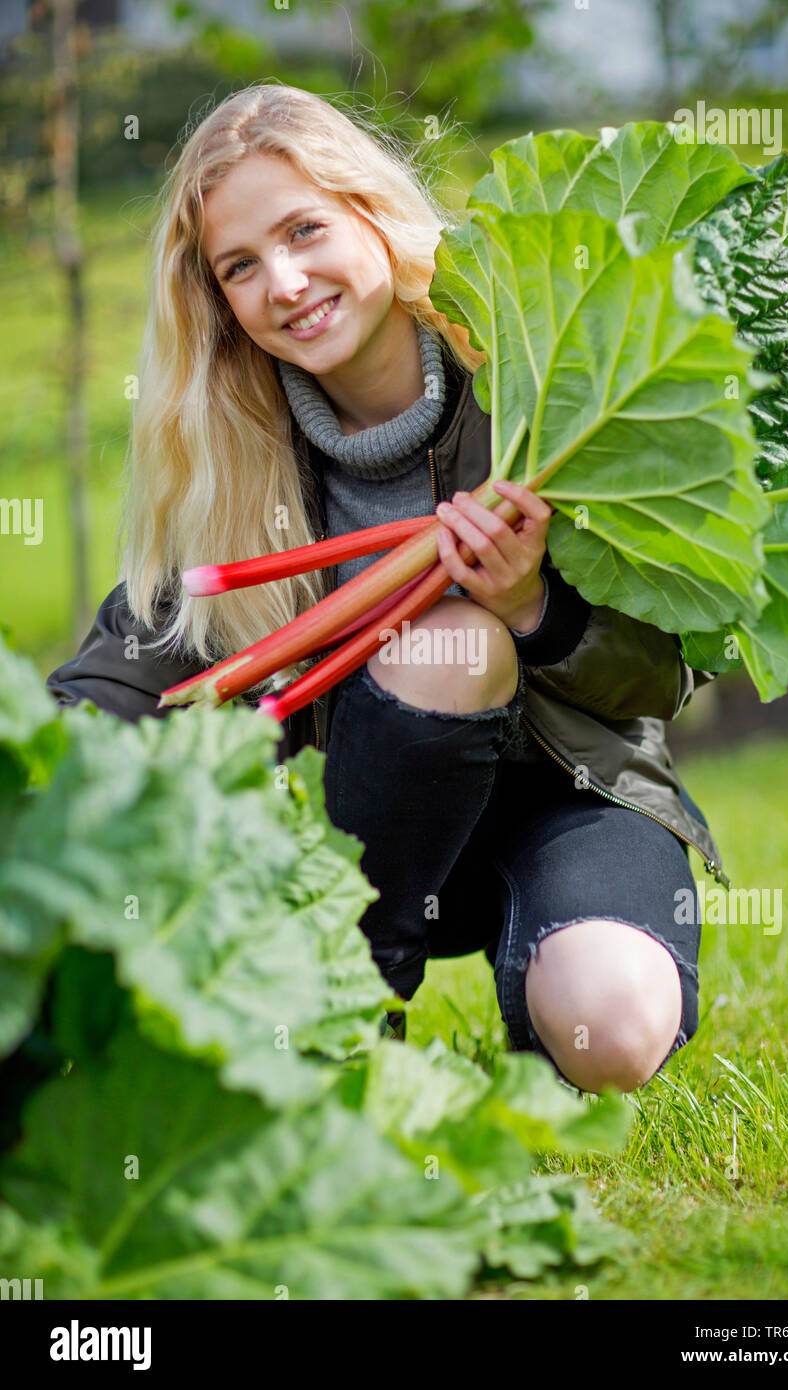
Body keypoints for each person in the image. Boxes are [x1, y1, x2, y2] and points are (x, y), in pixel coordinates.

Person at [46, 82, 726, 1094]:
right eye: (240, 265)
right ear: (220, 300)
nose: (283, 281)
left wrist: (534, 610)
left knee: (611, 1028)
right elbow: (151, 659)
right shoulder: (239, 447)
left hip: (575, 795)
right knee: (446, 650)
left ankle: (543, 971)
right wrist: (42, 749)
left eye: (303, 229)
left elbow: (668, 673)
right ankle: (349, 1010)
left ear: (371, 210)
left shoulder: (536, 386)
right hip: (377, 837)